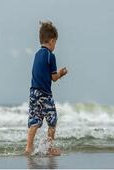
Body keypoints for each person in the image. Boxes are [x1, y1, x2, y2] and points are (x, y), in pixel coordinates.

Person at [25, 21, 68, 155]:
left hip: (33, 92)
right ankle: (49, 148)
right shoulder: (51, 55)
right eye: (55, 43)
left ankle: (28, 148)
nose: (55, 46)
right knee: (52, 120)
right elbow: (54, 78)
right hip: (45, 93)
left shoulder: (37, 54)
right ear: (52, 41)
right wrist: (61, 73)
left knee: (35, 120)